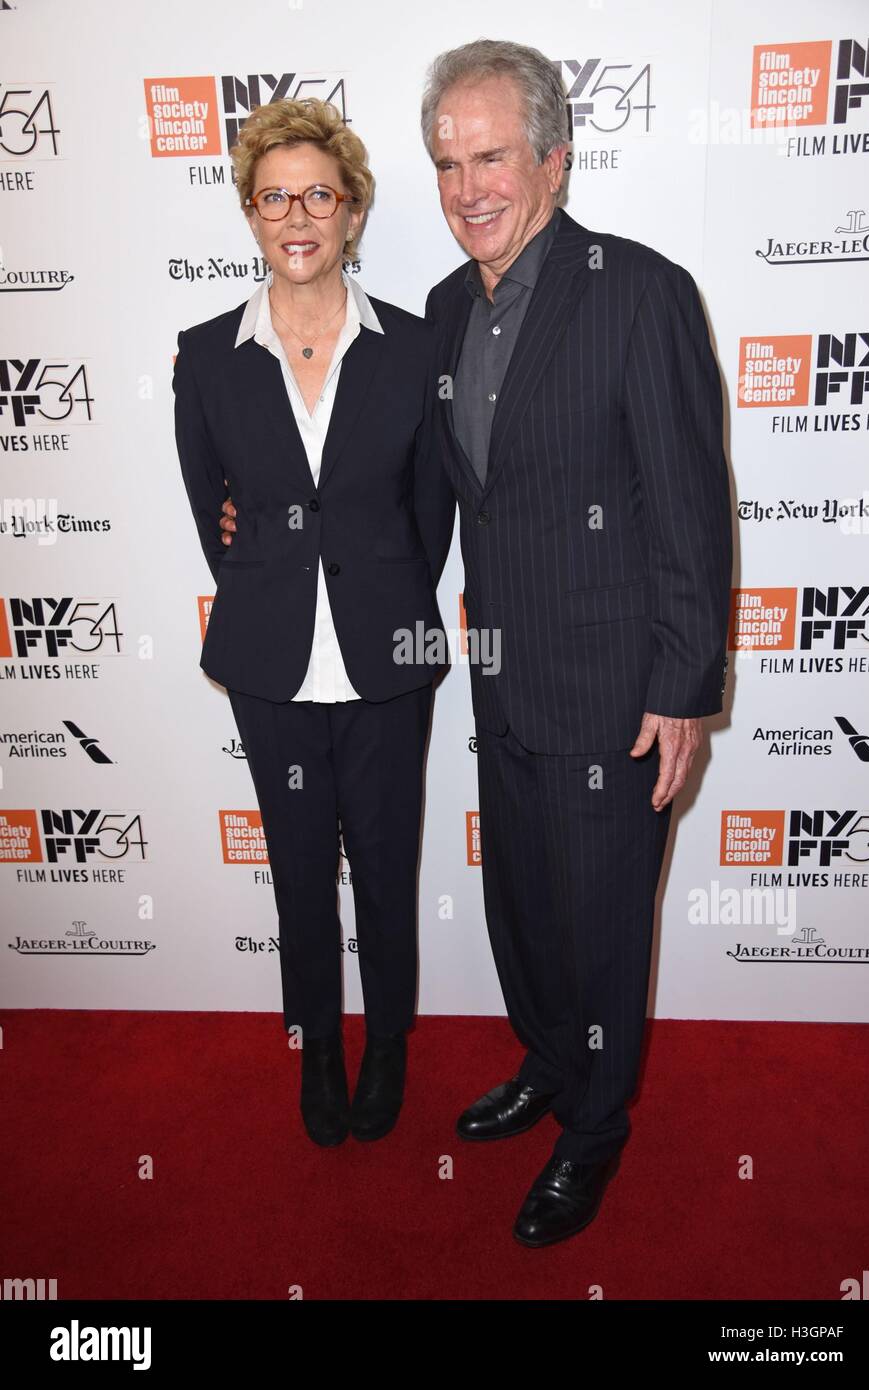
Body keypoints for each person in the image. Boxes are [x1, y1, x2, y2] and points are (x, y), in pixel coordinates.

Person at [219, 40, 733, 1248]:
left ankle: (595, 1131)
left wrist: (680, 688)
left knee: (603, 926)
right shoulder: (444, 313)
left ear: (552, 158)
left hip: (615, 692)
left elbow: (687, 506)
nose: (467, 189)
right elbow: (406, 498)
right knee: (524, 914)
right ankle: (551, 1066)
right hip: (499, 685)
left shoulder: (638, 290)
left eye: (490, 156)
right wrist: (269, 514)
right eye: (447, 163)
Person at [173, 98, 455, 1150]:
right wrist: (280, 583)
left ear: (351, 210)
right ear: (250, 212)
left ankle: (384, 1045)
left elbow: (431, 515)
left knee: (385, 866)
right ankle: (319, 1050)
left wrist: (374, 594)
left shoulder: (413, 346)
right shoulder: (205, 355)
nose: (297, 215)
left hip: (386, 660)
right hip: (268, 661)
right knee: (298, 872)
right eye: (274, 196)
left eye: (318, 195)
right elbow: (215, 515)